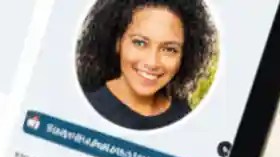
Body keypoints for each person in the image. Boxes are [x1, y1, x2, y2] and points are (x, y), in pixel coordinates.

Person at [77, 0, 216, 131]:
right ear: (118, 42)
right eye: (140, 43)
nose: (152, 62)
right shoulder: (84, 110)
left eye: (169, 49)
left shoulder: (183, 112)